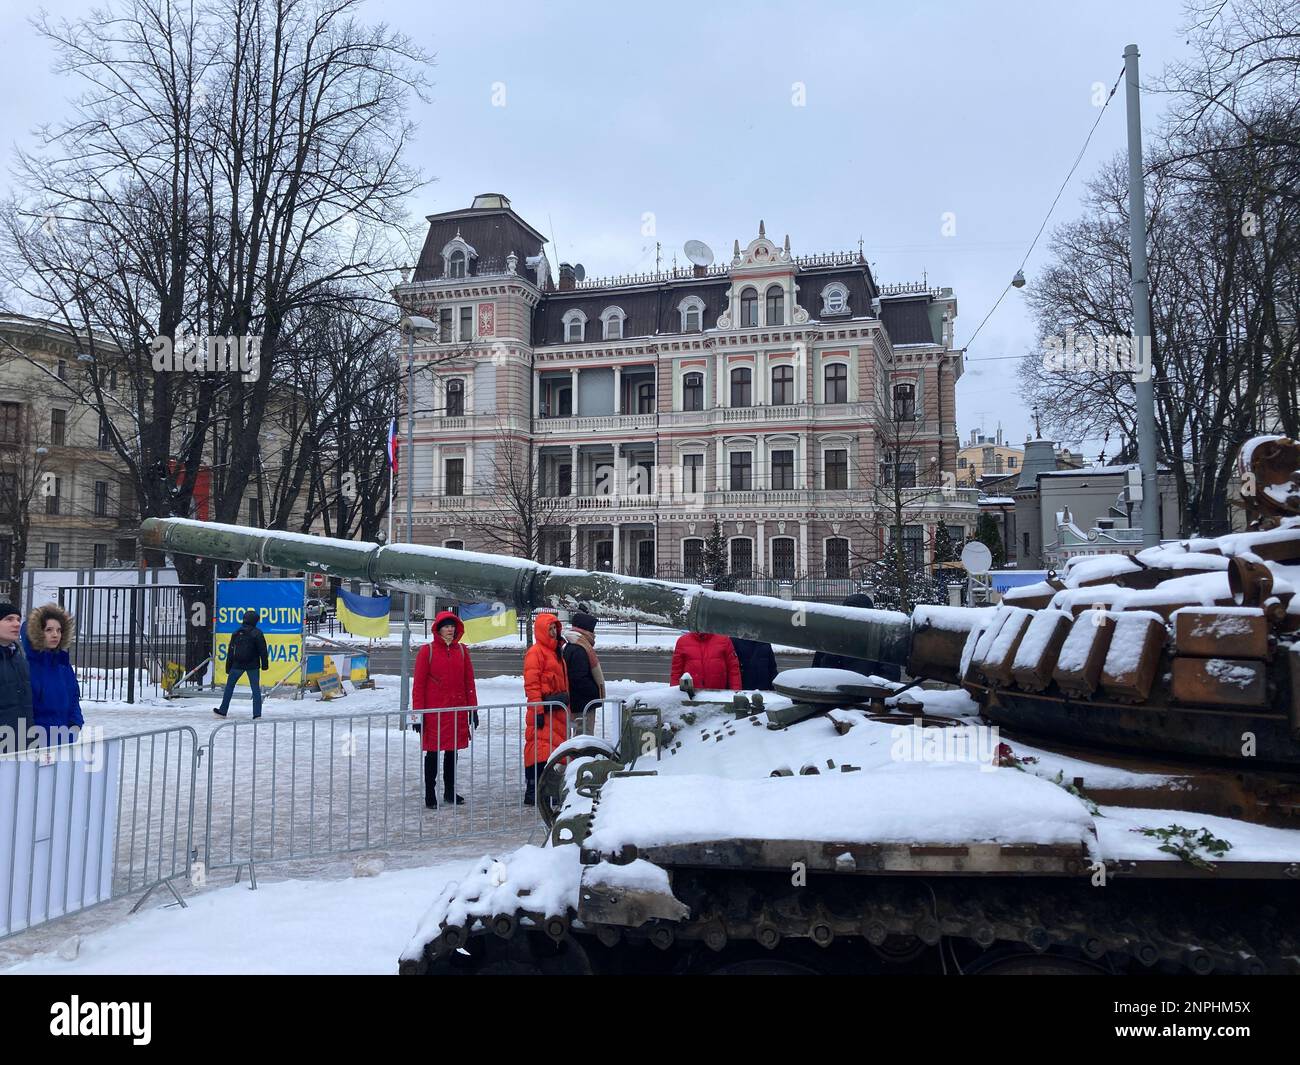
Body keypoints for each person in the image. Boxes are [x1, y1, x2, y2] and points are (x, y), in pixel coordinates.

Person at [414, 610, 478, 809]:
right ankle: (430, 793)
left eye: (452, 626)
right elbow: (418, 685)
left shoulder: (462, 651)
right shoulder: (427, 651)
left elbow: (469, 682)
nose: (450, 630)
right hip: (434, 713)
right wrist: (418, 715)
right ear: (439, 629)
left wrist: (472, 709)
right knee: (432, 753)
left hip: (457, 711)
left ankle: (450, 791)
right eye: (446, 626)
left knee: (452, 752)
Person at [522, 612, 568, 806]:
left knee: (553, 751)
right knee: (539, 750)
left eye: (554, 629)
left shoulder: (556, 652)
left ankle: (547, 789)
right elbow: (532, 685)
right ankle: (535, 790)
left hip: (557, 710)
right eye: (549, 629)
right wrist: (539, 709)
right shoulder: (536, 652)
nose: (553, 632)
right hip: (544, 710)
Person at [22, 603, 83, 746]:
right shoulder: (25, 665)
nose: (55, 634)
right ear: (36, 632)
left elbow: (74, 697)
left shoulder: (63, 664)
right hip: (34, 741)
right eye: (49, 630)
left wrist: (75, 724)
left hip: (64, 738)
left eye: (59, 630)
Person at [810, 592, 903, 681]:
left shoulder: (880, 642)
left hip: (859, 694)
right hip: (837, 693)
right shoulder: (831, 639)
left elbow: (890, 677)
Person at [215, 609, 270, 718]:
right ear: (255, 621)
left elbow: (230, 650)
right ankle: (257, 714)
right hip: (253, 665)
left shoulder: (236, 632)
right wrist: (264, 665)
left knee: (229, 687)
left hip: (237, 664)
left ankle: (223, 710)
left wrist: (228, 666)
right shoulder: (257, 633)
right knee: (255, 690)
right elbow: (262, 650)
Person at [560, 610, 605, 734]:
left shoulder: (573, 645)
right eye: (592, 630)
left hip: (577, 701)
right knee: (584, 736)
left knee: (579, 735)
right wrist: (595, 691)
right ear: (586, 630)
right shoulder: (580, 649)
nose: (594, 634)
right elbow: (578, 678)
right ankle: (582, 754)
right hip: (582, 703)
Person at [0, 602, 32, 754]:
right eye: (9, 619)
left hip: (22, 742)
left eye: (18, 619)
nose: (16, 623)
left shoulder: (20, 659)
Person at [670, 631, 741, 690]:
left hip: (718, 695)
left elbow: (733, 669)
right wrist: (675, 696)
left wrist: (735, 692)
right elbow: (676, 672)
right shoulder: (682, 641)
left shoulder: (724, 640)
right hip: (690, 696)